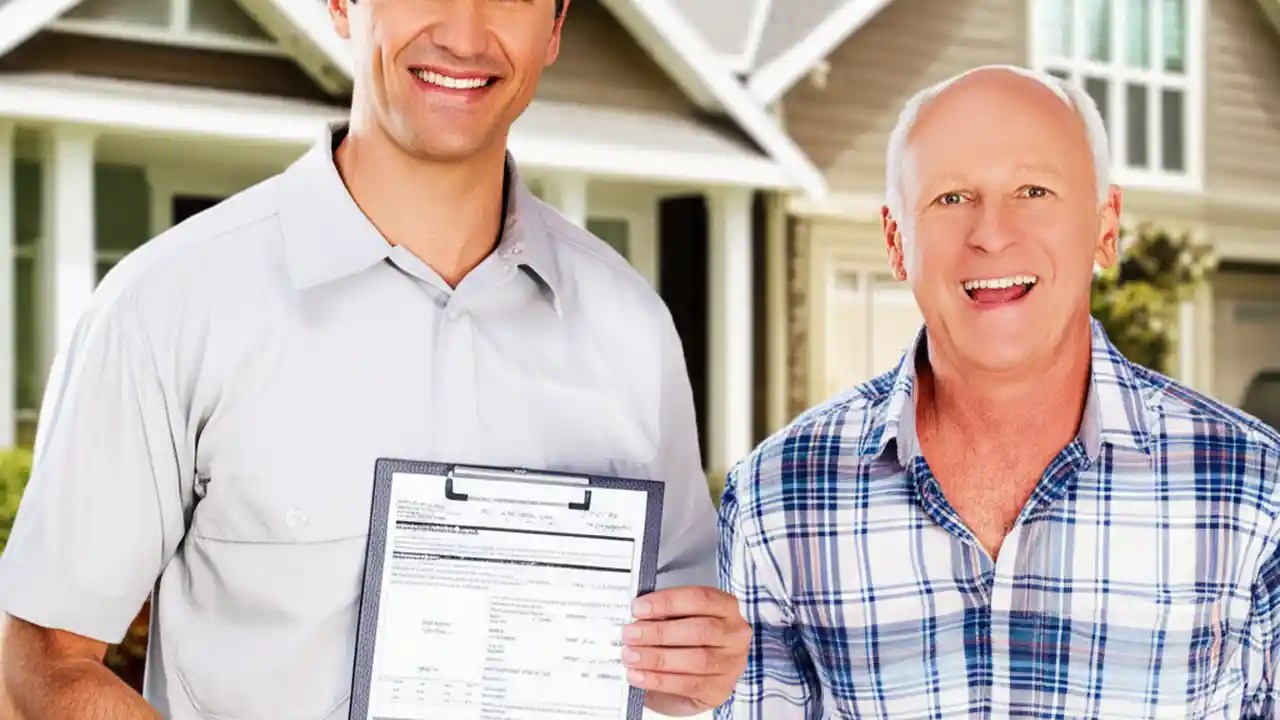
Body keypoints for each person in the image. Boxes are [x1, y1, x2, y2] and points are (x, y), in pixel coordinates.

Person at [0, 0, 750, 717]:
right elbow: (39, 662)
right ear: (340, 5)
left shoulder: (631, 328)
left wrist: (697, 669)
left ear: (554, 28)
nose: (464, 34)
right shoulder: (169, 305)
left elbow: (675, 648)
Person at [718, 64, 1280, 719]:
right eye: (952, 198)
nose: (990, 233)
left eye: (1034, 190)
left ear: (1106, 226)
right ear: (897, 243)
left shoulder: (1255, 494)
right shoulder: (778, 499)